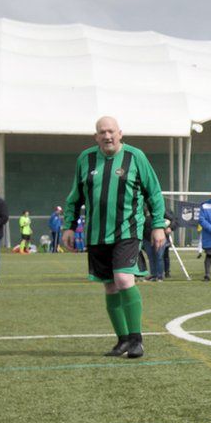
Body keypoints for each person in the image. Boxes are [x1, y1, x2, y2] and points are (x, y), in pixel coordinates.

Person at [62, 116, 165, 358]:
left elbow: (154, 192)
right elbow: (75, 196)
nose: (107, 136)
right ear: (96, 136)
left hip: (127, 231)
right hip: (97, 234)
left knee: (124, 279)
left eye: (111, 131)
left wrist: (158, 225)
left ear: (120, 133)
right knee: (109, 286)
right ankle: (123, 340)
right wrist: (69, 226)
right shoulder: (85, 159)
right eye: (102, 132)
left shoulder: (135, 157)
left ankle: (137, 340)